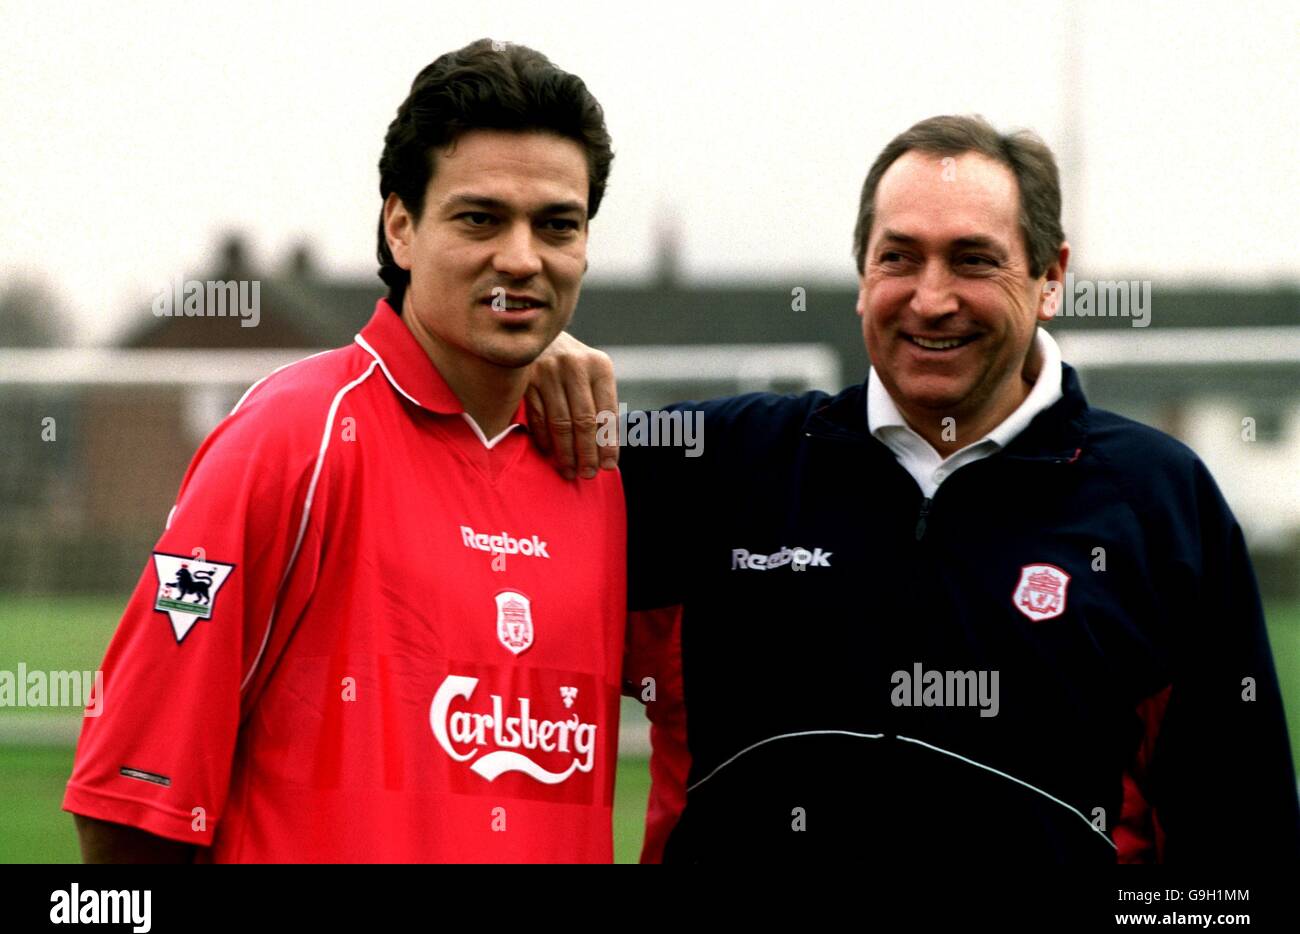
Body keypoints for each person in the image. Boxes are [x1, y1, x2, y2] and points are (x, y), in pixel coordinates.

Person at [533, 115, 1300, 862]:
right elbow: (461, 532)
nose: (931, 299)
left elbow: (1239, 854)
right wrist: (514, 360)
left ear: (1051, 278)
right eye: (899, 258)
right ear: (862, 278)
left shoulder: (1162, 505)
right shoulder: (717, 465)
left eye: (973, 259)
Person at [63, 38, 626, 863]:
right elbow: (129, 808)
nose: (520, 256)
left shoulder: (601, 466)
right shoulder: (287, 441)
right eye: (480, 217)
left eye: (556, 225)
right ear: (400, 225)